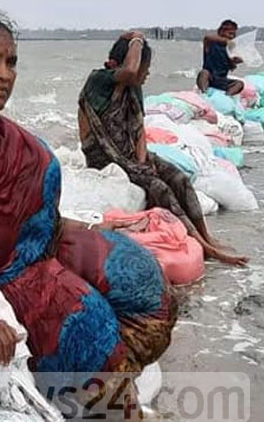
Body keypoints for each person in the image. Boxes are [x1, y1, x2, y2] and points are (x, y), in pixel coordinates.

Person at [0, 14, 177, 410]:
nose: (4, 74)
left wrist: (96, 228)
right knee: (85, 325)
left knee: (136, 275)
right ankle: (103, 401)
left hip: (18, 255)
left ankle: (102, 388)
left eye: (11, 62)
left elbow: (33, 218)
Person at [78, 31, 249, 267]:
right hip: (105, 158)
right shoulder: (98, 80)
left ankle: (206, 236)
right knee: (159, 188)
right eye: (144, 68)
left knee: (180, 179)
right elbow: (129, 71)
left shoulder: (132, 89)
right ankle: (203, 245)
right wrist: (137, 40)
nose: (146, 74)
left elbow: (138, 129)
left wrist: (142, 162)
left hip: (130, 156)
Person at [201, 20, 245, 96]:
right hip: (209, 77)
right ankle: (204, 94)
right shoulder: (210, 42)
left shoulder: (230, 49)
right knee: (204, 73)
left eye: (234, 34)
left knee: (239, 84)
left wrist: (234, 62)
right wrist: (227, 42)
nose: (232, 37)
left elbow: (231, 67)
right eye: (230, 33)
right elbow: (207, 38)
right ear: (221, 31)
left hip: (221, 80)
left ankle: (227, 96)